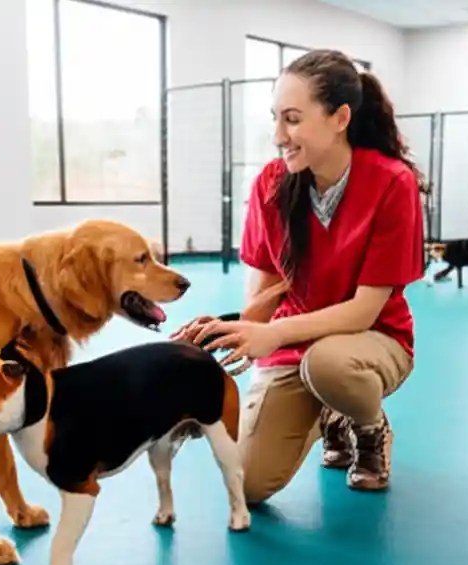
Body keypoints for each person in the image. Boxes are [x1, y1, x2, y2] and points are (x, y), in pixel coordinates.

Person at [172, 49, 424, 504]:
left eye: (292, 119)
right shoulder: (270, 185)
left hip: (373, 338)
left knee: (328, 365)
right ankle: (330, 414)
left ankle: (368, 428)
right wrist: (221, 331)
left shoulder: (392, 182)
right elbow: (265, 296)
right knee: (247, 485)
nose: (277, 136)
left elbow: (364, 311)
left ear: (340, 118)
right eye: (275, 119)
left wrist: (274, 333)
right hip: (293, 346)